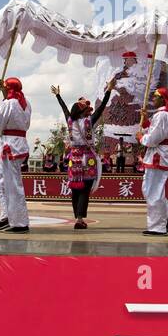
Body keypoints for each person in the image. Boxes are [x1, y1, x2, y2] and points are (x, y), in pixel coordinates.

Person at [54, 75, 119, 229]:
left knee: (75, 188)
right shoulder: (89, 122)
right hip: (87, 158)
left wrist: (58, 95)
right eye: (87, 109)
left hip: (73, 159)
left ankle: (77, 217)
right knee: (85, 189)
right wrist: (109, 91)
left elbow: (64, 110)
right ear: (84, 112)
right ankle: (80, 219)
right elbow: (102, 107)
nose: (90, 111)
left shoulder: (70, 122)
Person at [138, 86, 168, 236]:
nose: (152, 99)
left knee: (153, 191)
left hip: (158, 155)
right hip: (157, 154)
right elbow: (154, 131)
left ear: (162, 99)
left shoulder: (162, 115)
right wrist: (145, 123)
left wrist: (141, 138)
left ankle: (157, 226)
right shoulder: (162, 115)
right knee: (149, 189)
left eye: (155, 97)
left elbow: (153, 138)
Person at [0, 77, 32, 233]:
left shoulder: (8, 104)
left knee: (13, 185)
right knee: (1, 182)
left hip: (10, 146)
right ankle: (8, 216)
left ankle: (20, 222)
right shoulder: (25, 104)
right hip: (17, 144)